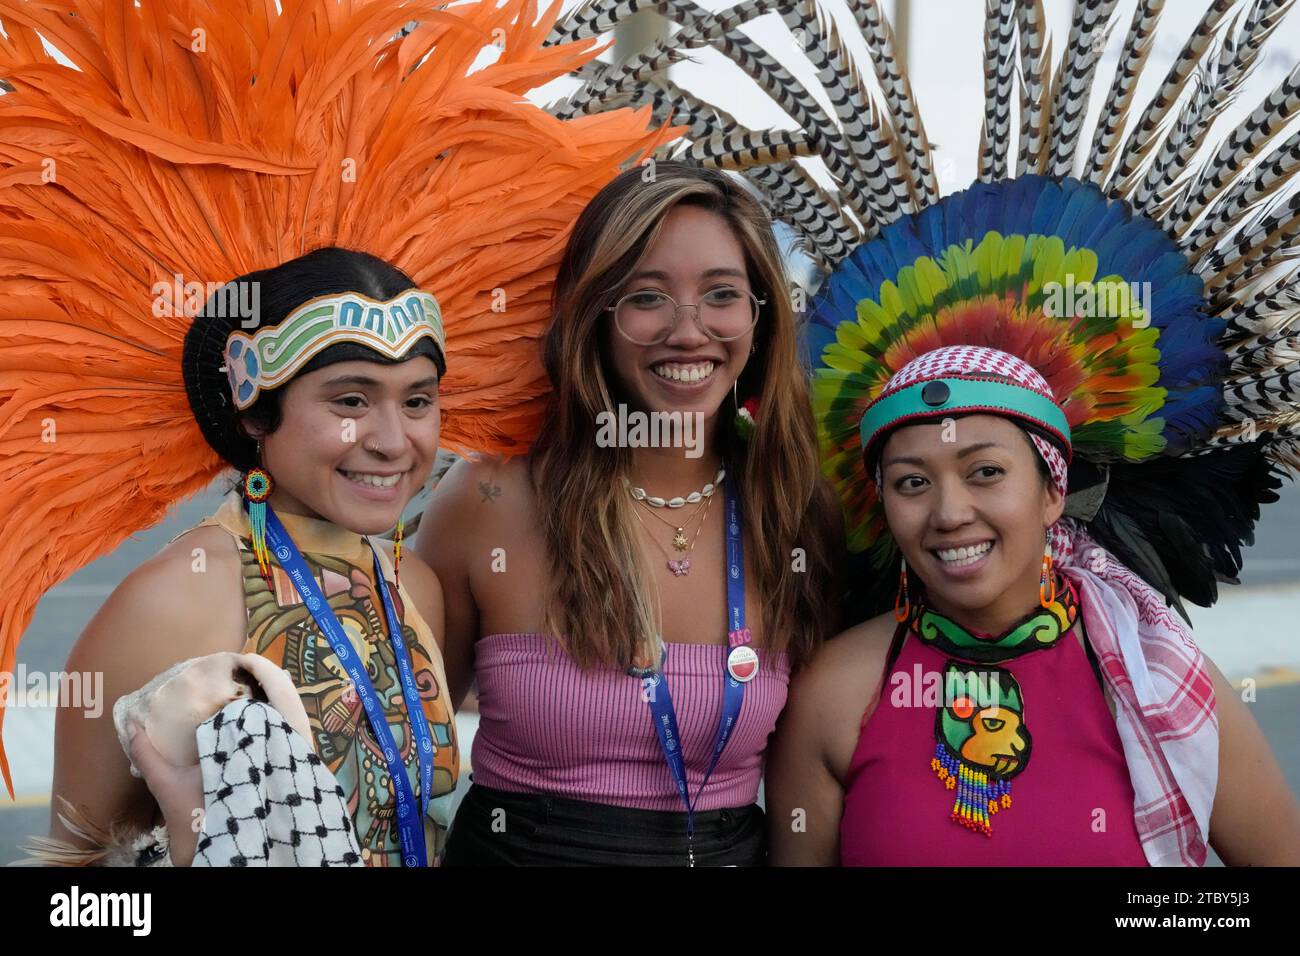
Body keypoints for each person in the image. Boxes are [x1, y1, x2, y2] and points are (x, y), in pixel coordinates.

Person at [0, 0, 660, 866]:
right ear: (255, 409)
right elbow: (75, 888)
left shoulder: (413, 585)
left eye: (418, 400)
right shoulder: (171, 603)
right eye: (350, 400)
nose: (394, 440)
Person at [415, 161, 842, 866]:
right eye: (647, 297)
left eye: (722, 295)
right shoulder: (486, 501)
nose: (688, 330)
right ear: (596, 316)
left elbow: (817, 780)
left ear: (761, 318)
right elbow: (400, 760)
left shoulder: (796, 514)